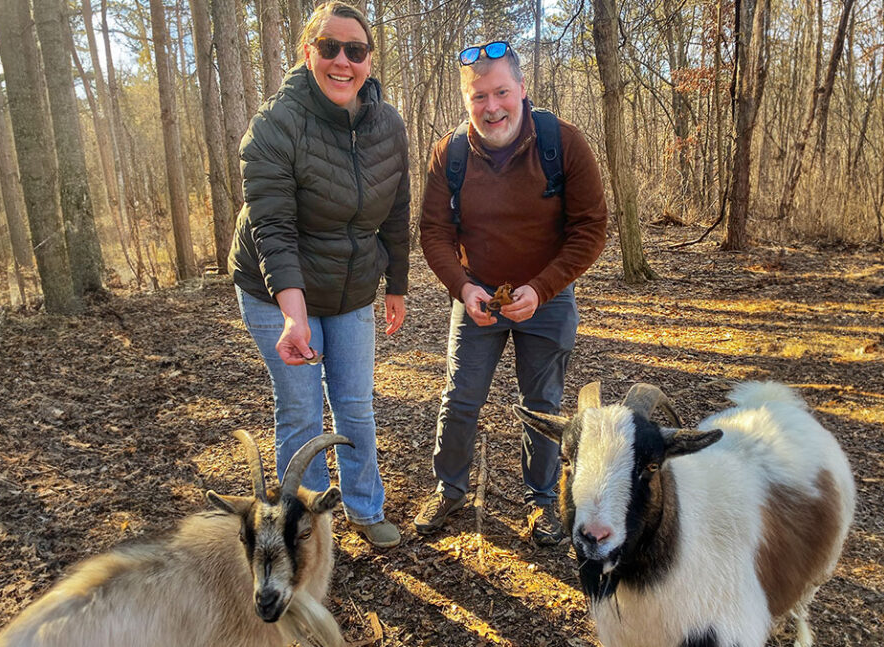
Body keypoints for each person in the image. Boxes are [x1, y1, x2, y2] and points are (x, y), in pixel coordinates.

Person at [229, 1, 409, 548]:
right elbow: (274, 230)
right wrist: (293, 315)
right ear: (308, 53)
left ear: (369, 60)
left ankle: (363, 505)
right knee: (302, 409)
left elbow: (397, 208)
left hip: (352, 287)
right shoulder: (275, 125)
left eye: (355, 50)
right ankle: (307, 521)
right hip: (276, 289)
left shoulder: (388, 123)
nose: (342, 61)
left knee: (355, 404)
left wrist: (397, 283)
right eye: (328, 47)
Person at [414, 41, 608, 546]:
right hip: (477, 295)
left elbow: (591, 227)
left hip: (547, 296)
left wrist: (542, 289)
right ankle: (450, 488)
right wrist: (462, 287)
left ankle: (542, 501)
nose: (492, 106)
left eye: (501, 91)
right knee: (460, 399)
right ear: (465, 100)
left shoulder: (562, 143)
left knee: (542, 403)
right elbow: (433, 231)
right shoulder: (449, 154)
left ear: (522, 90)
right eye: (479, 96)